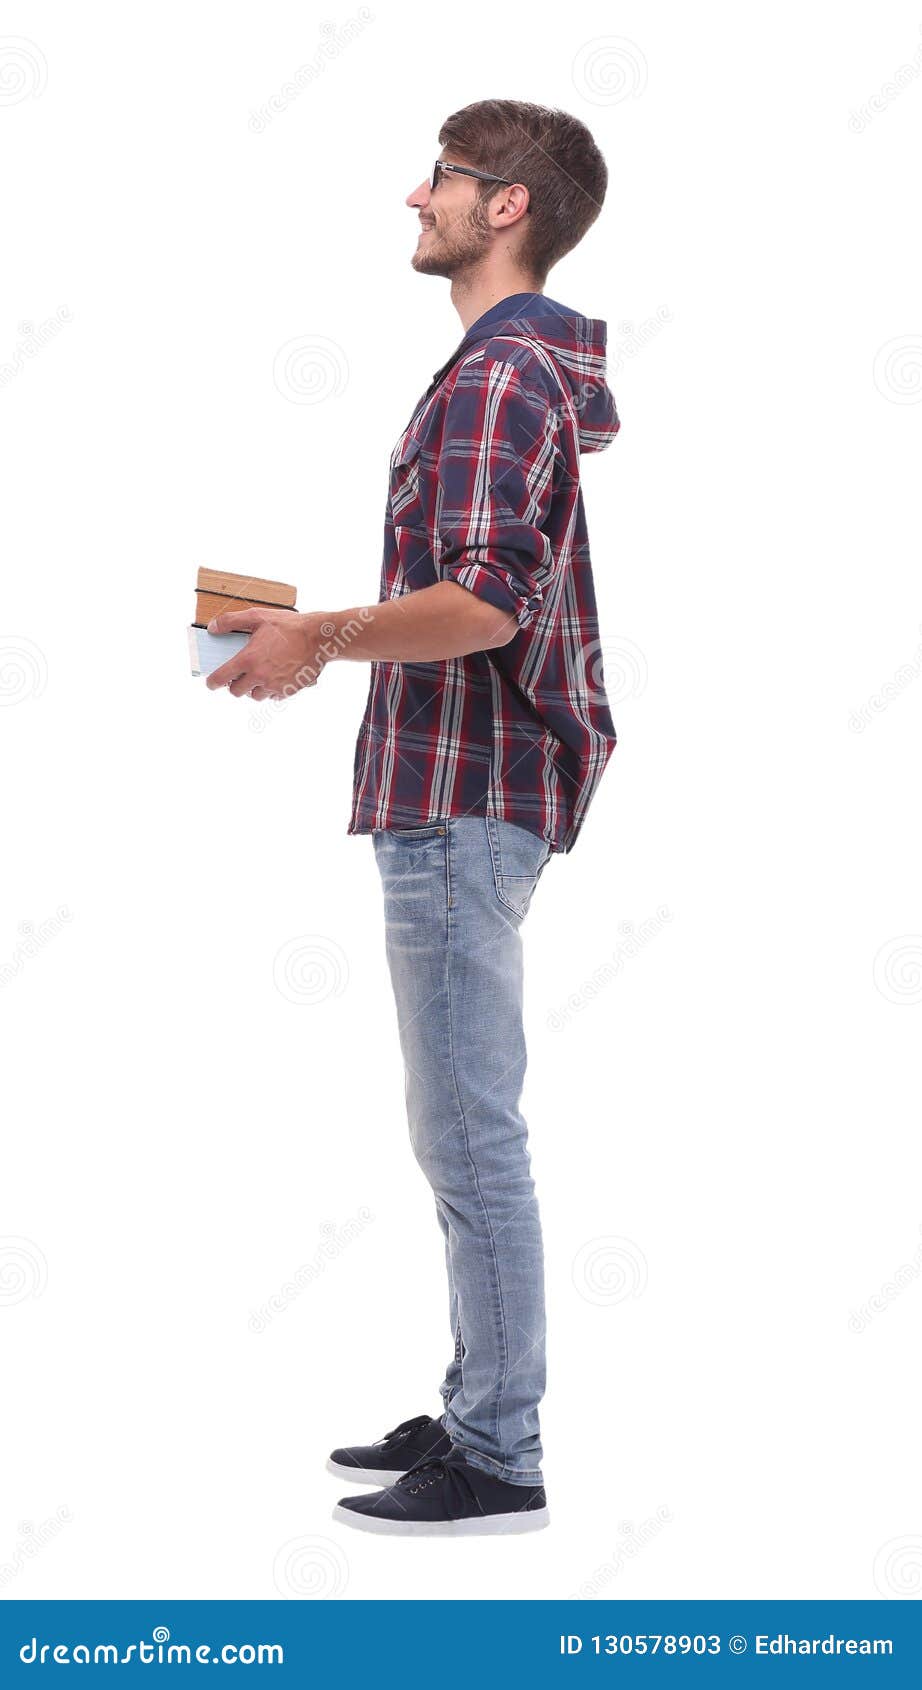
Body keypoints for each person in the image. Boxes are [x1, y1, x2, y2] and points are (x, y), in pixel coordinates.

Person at [206, 99, 620, 1537]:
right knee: (456, 1123)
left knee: (467, 1129)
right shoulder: (503, 370)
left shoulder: (495, 380)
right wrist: (307, 640)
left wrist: (309, 634)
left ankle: (498, 1452)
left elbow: (485, 604)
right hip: (459, 788)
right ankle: (474, 1403)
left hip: (461, 794)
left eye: (440, 178)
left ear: (507, 206)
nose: (414, 197)